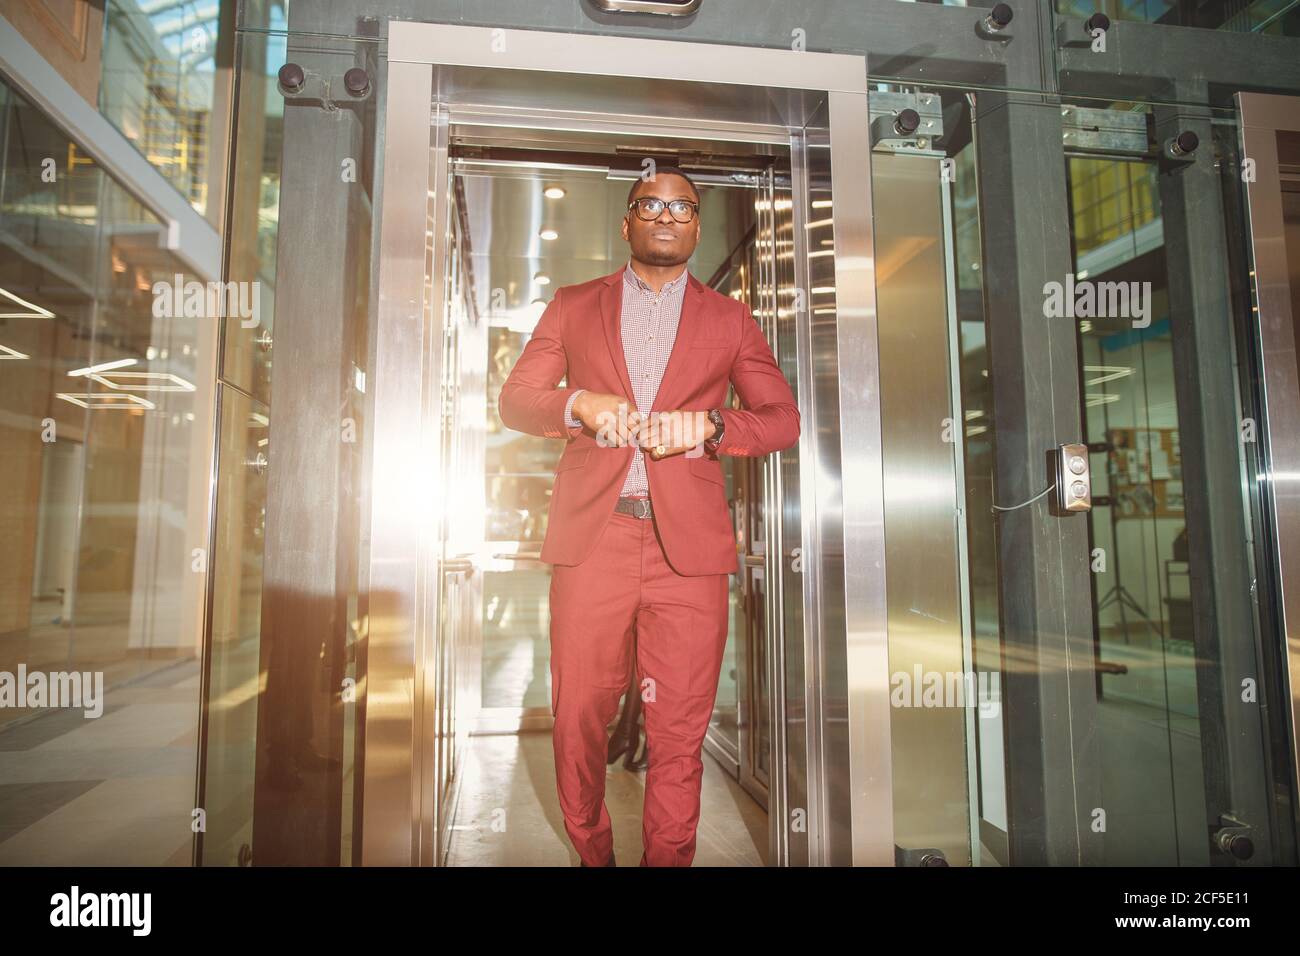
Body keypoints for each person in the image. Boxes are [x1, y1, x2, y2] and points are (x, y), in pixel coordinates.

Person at [497, 165, 800, 867]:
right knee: (576, 720)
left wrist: (711, 428)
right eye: (650, 205)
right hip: (594, 541)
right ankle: (592, 855)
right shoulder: (574, 304)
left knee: (678, 732)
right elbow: (516, 400)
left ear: (695, 223)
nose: (666, 216)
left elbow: (781, 419)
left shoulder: (730, 319)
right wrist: (578, 404)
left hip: (686, 554)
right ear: (627, 221)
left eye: (682, 206)